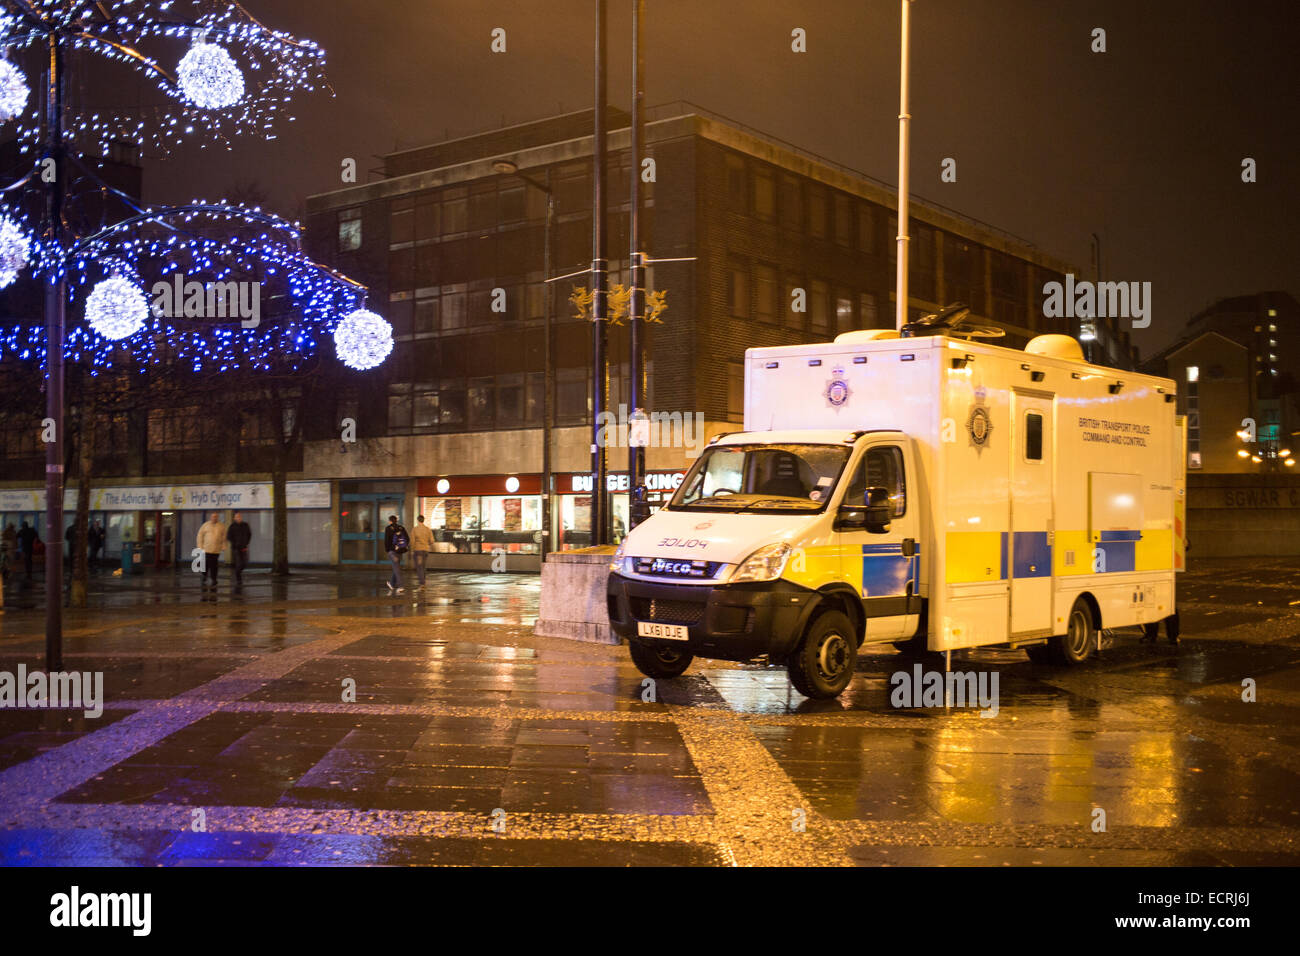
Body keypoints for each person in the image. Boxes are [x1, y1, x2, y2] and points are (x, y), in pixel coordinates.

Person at [196, 512, 227, 588]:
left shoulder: (221, 526)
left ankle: (214, 579)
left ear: (218, 518)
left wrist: (223, 546)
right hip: (206, 549)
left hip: (216, 550)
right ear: (211, 517)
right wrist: (200, 546)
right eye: (213, 517)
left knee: (214, 565)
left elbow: (224, 537)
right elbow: (200, 536)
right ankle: (204, 576)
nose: (214, 518)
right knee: (205, 564)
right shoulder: (205, 525)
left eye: (216, 517)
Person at [383, 514, 407, 594]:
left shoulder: (388, 528)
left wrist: (388, 550)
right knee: (396, 567)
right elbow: (407, 538)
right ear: (396, 521)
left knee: (396, 568)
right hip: (400, 551)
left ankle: (401, 586)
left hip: (392, 551)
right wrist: (402, 547)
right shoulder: (401, 528)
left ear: (390, 521)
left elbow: (386, 541)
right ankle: (392, 584)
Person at [227, 511, 251, 588]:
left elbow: (249, 534)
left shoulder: (245, 525)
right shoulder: (232, 526)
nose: (239, 518)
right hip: (236, 548)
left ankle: (238, 572)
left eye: (240, 516)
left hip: (244, 547)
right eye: (237, 517)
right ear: (234, 518)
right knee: (239, 563)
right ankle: (238, 579)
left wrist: (246, 542)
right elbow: (229, 536)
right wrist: (234, 543)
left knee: (245, 563)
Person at [411, 514, 433, 588]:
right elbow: (432, 541)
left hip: (418, 550)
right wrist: (427, 544)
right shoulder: (428, 529)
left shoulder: (415, 529)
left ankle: (422, 583)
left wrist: (412, 550)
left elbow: (412, 541)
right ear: (423, 520)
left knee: (419, 567)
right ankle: (423, 581)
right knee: (423, 566)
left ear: (418, 520)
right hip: (426, 550)